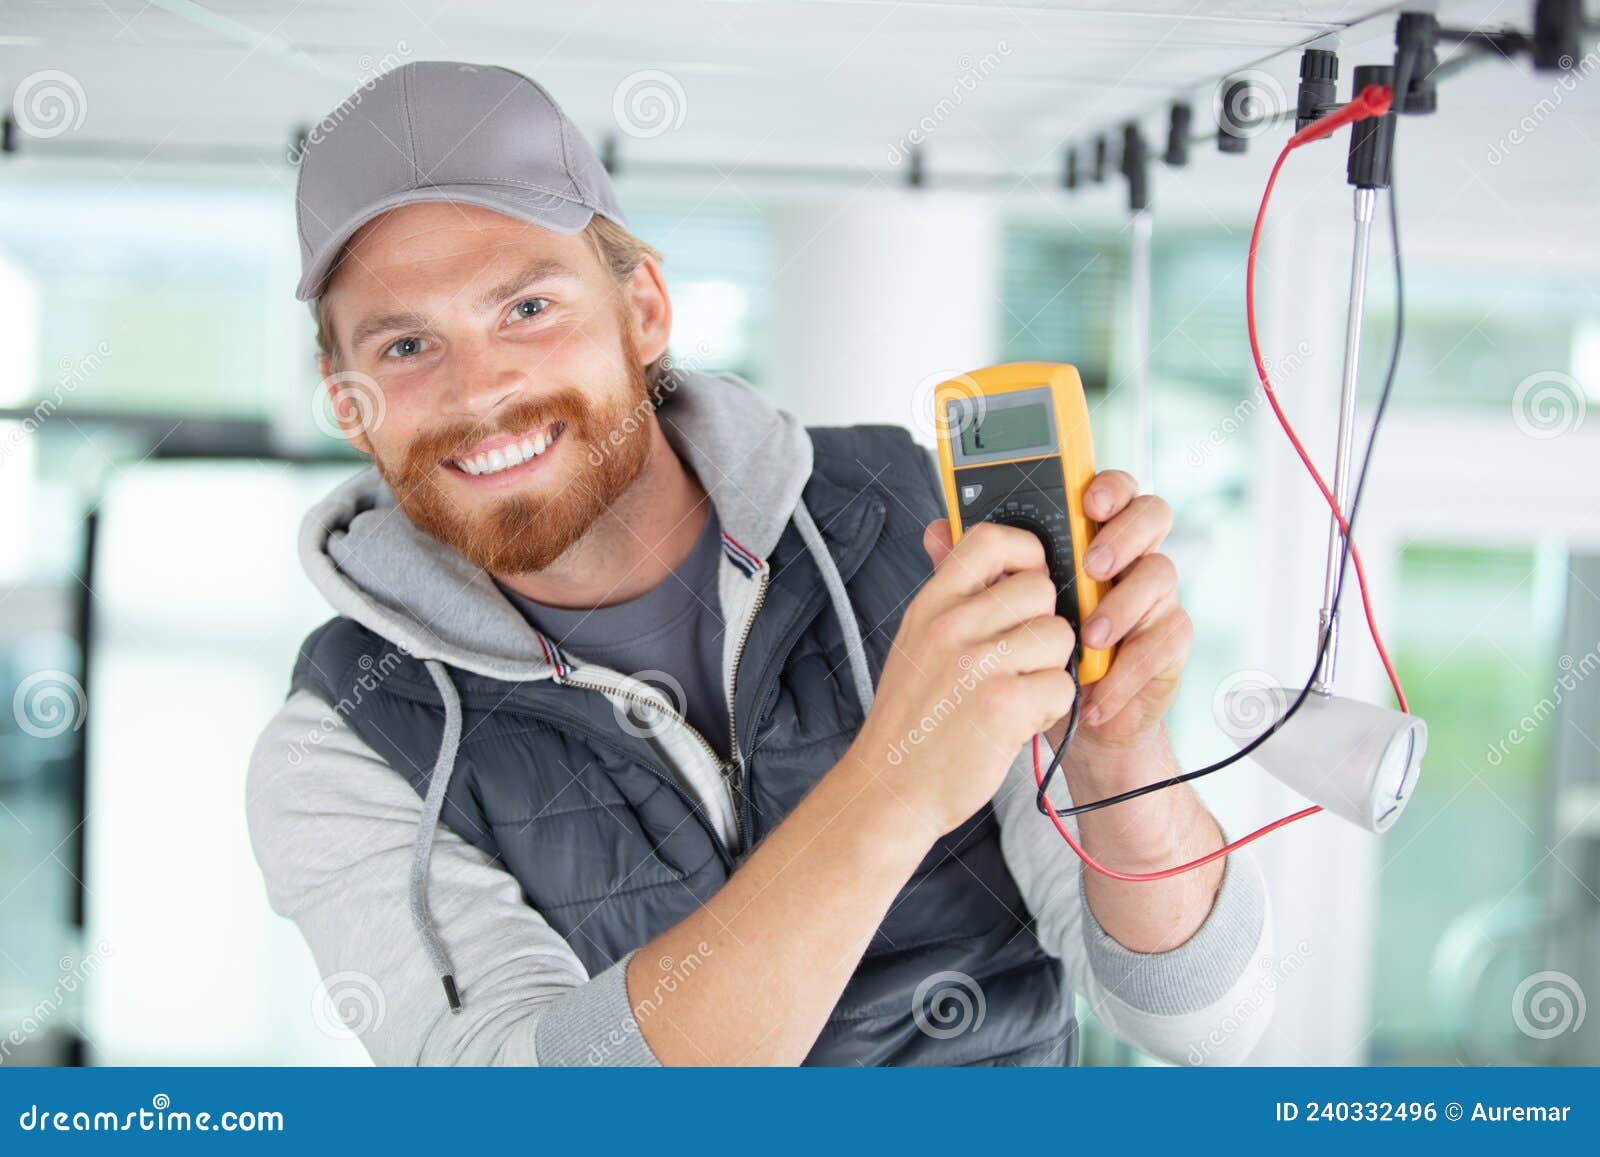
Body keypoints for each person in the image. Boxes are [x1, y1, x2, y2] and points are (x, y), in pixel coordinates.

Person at [247, 60, 1275, 1067]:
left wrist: (1116, 760)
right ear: (349, 407)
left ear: (643, 310)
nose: (481, 392)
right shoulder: (347, 740)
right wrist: (893, 787)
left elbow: (1203, 1028)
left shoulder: (909, 514)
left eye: (526, 308)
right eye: (405, 348)